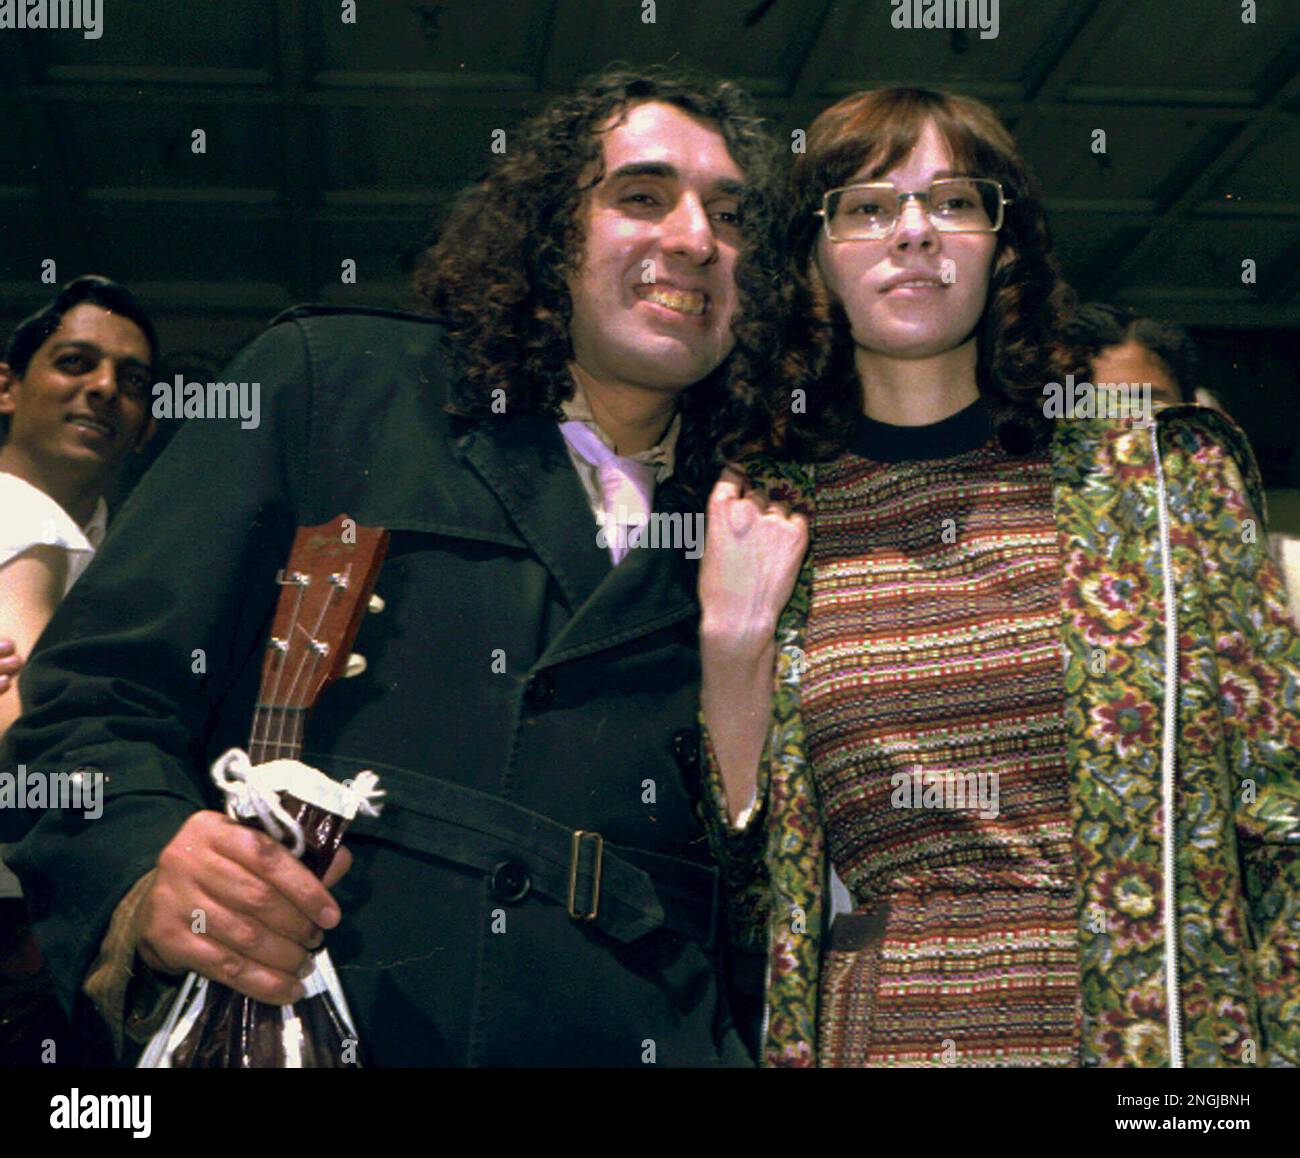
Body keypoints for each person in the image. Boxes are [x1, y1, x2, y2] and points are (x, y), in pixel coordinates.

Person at [5, 68, 774, 1067]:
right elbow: (90, 700)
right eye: (641, 195)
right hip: (329, 1022)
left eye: (729, 215)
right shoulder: (337, 386)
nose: (694, 237)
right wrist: (147, 864)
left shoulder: (768, 517)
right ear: (549, 230)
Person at [696, 86, 1300, 1067]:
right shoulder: (767, 518)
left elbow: (1281, 818)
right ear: (816, 254)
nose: (913, 233)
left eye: (954, 201)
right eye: (866, 206)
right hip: (879, 1035)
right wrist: (731, 646)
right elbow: (745, 897)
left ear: (1000, 242)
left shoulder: (1158, 484)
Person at [0, 275, 158, 1064]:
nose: (103, 390)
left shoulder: (108, 552)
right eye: (74, 362)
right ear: (6, 387)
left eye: (130, 382)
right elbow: (35, 740)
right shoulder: (20, 514)